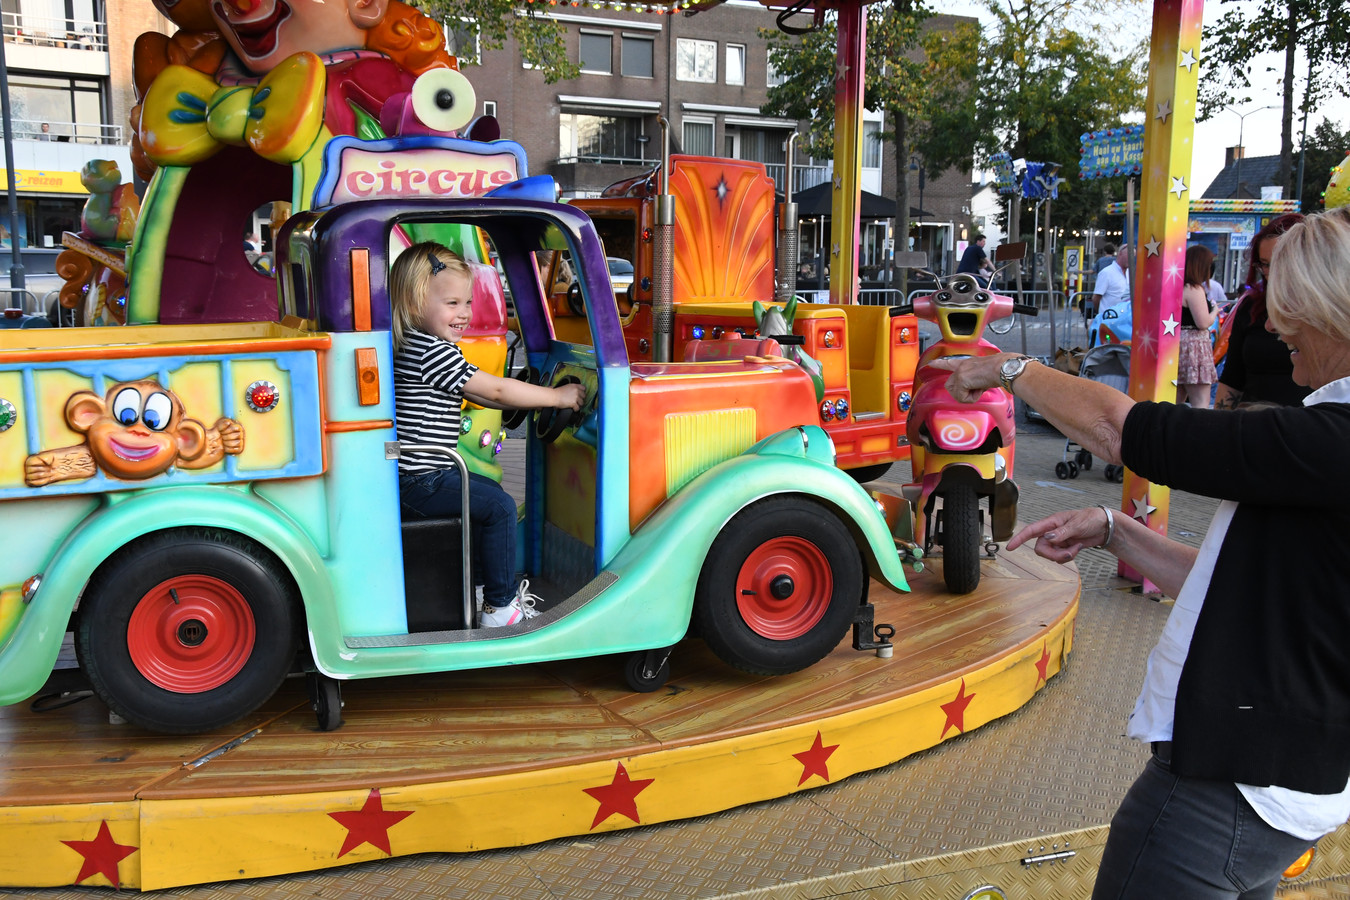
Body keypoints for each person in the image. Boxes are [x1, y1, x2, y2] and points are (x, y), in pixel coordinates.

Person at [932, 205, 1350, 899]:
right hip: (1290, 795)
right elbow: (1241, 586)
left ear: (1332, 311)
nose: (1273, 329)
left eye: (1286, 309)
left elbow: (1118, 428)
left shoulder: (1326, 446)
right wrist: (1115, 531)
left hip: (1228, 791)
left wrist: (1008, 368)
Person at [392, 242, 585, 627]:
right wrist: (556, 396)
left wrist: (530, 396)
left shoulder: (417, 344)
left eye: (467, 303)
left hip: (420, 475)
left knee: (489, 494)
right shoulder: (430, 351)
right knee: (498, 507)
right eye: (452, 304)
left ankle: (483, 589)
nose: (464, 313)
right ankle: (499, 607)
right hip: (419, 480)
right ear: (414, 303)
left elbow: (481, 393)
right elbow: (495, 390)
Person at [1214, 213, 1311, 410]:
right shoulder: (1251, 306)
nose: (1272, 272)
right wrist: (1221, 424)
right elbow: (1232, 378)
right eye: (1265, 264)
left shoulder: (1329, 309)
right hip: (1252, 420)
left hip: (1311, 422)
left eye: (1281, 262)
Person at [1177, 244, 1218, 408]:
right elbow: (1203, 322)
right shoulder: (1194, 289)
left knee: (1175, 401)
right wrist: (1215, 311)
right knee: (1200, 401)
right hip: (1195, 347)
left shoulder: (1177, 287)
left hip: (1176, 345)